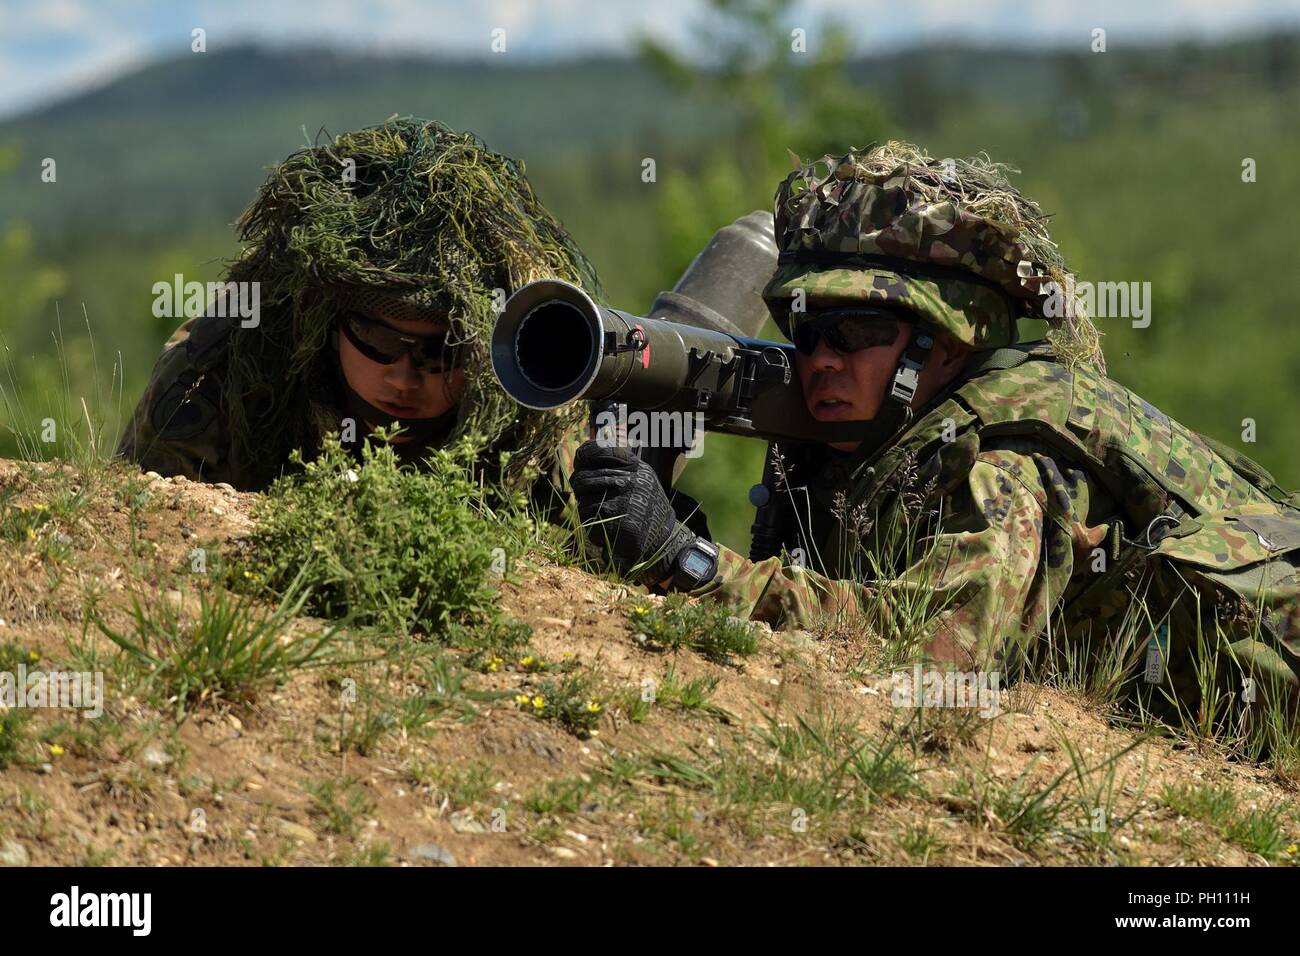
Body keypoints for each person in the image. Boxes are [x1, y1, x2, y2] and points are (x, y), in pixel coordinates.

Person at [570, 142, 1300, 721]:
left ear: (944, 346)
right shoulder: (876, 437)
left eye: (856, 331)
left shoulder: (1000, 468)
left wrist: (692, 563)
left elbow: (932, 657)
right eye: (807, 329)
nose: (822, 358)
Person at [116, 117, 601, 503]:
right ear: (326, 324)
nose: (405, 379)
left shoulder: (534, 409)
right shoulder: (216, 377)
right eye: (382, 342)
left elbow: (605, 554)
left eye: (443, 353)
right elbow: (137, 526)